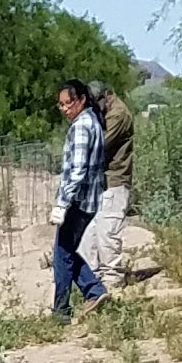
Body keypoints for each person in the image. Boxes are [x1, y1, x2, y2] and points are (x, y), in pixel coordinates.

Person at [52, 78, 106, 313]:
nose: (65, 109)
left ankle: (62, 310)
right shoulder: (93, 121)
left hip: (79, 201)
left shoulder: (82, 126)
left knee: (62, 255)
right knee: (67, 251)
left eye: (68, 103)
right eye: (61, 105)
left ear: (81, 100)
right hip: (90, 200)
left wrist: (62, 203)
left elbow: (78, 169)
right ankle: (94, 291)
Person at [91, 79, 137, 289]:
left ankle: (112, 281)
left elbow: (99, 145)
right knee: (95, 233)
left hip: (115, 181)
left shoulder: (118, 115)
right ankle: (98, 280)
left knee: (108, 232)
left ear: (105, 96)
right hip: (104, 182)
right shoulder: (107, 112)